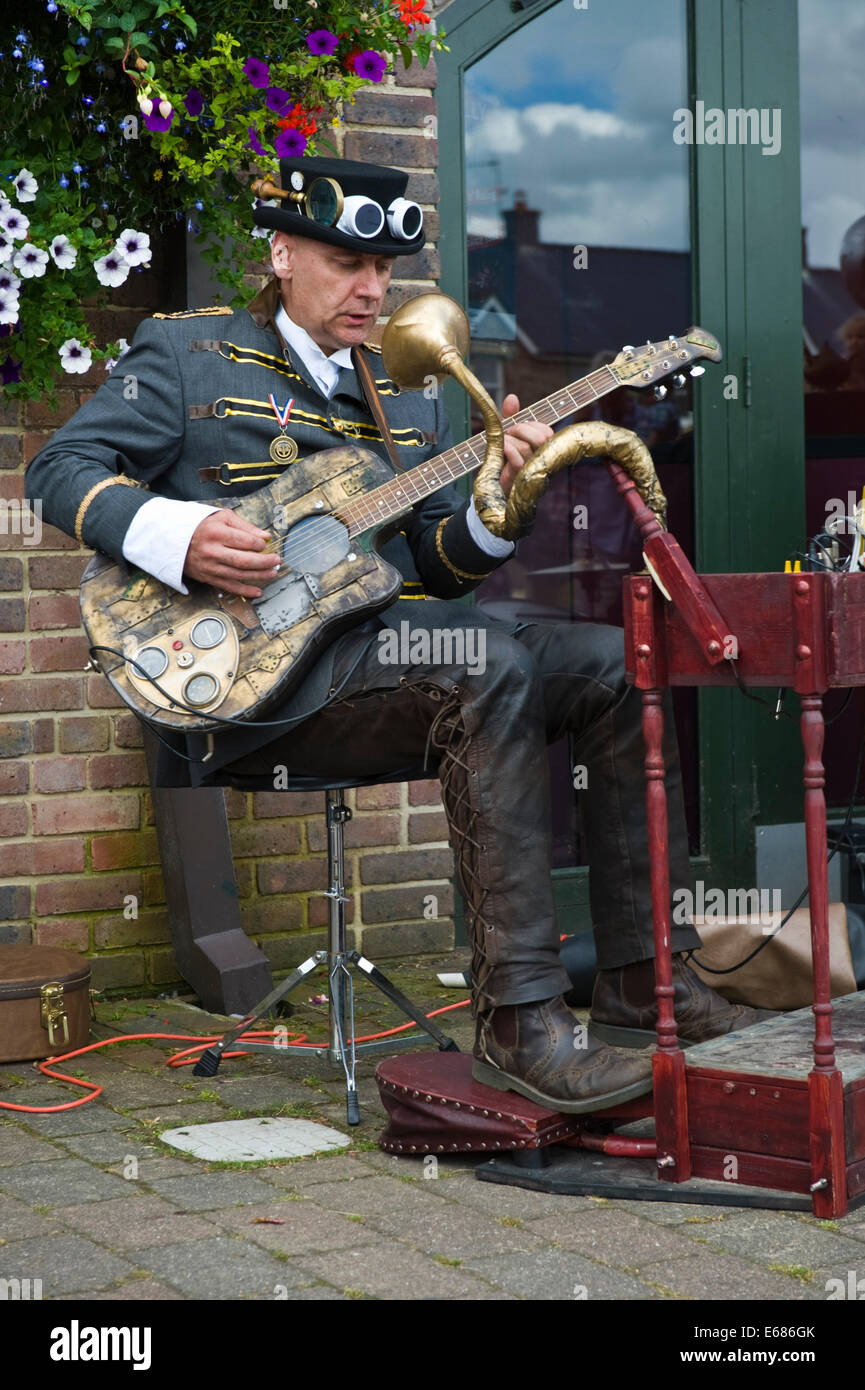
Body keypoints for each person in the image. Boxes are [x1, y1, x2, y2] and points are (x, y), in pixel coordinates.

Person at [26, 156, 767, 1116]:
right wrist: (184, 539)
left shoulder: (405, 399)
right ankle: (517, 1023)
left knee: (603, 663)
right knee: (483, 658)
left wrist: (503, 502)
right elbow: (58, 468)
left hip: (376, 666)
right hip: (249, 686)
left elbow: (432, 568)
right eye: (345, 261)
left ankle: (638, 979)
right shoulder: (185, 355)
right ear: (282, 253)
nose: (371, 288)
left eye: (384, 269)